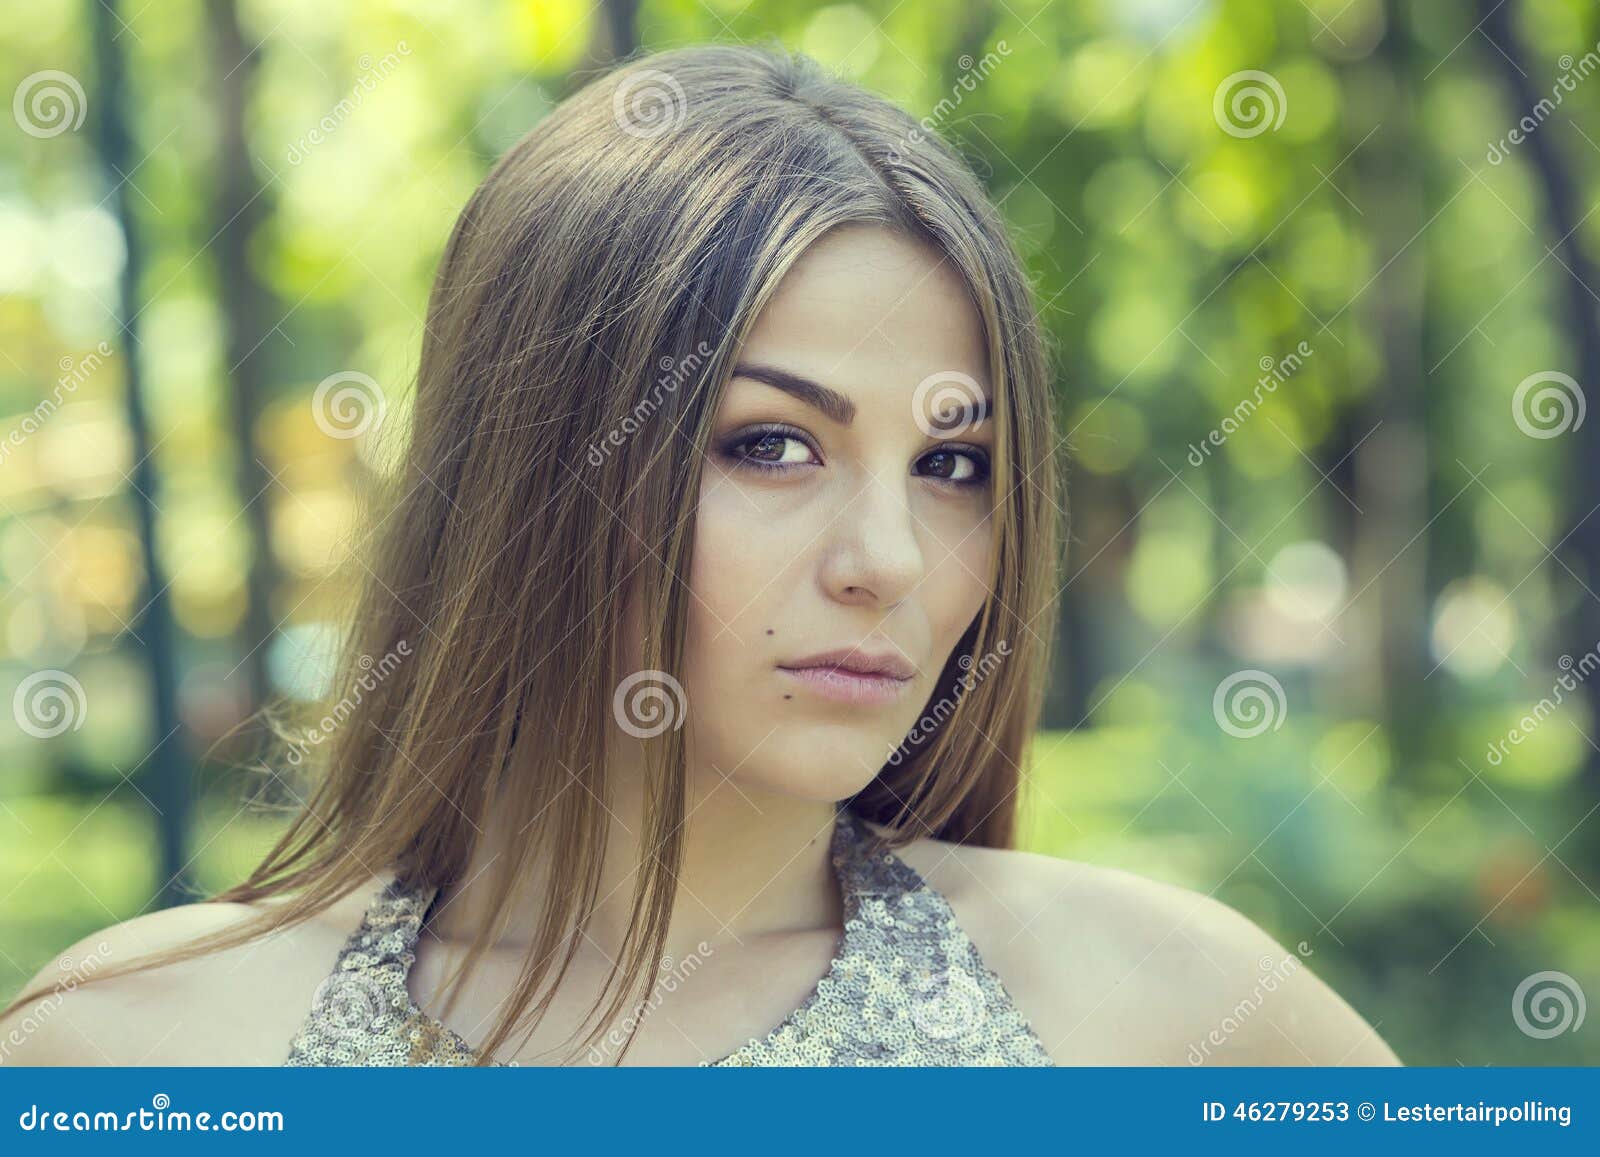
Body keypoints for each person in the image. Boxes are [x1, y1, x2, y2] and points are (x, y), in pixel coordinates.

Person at [0, 42, 1399, 1067]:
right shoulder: (145, 1048)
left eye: (952, 465)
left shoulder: (1157, 1010)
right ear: (539, 466)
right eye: (772, 445)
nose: (887, 560)